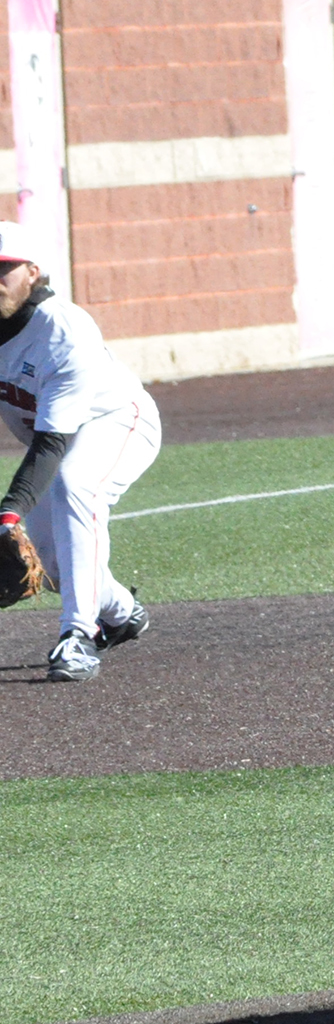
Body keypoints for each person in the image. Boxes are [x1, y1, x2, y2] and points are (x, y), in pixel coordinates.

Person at [0, 222, 161, 682]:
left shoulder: (62, 332)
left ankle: (79, 636)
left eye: (3, 269)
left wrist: (9, 512)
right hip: (55, 440)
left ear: (33, 272)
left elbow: (51, 443)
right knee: (53, 567)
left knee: (76, 485)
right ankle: (122, 613)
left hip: (118, 421)